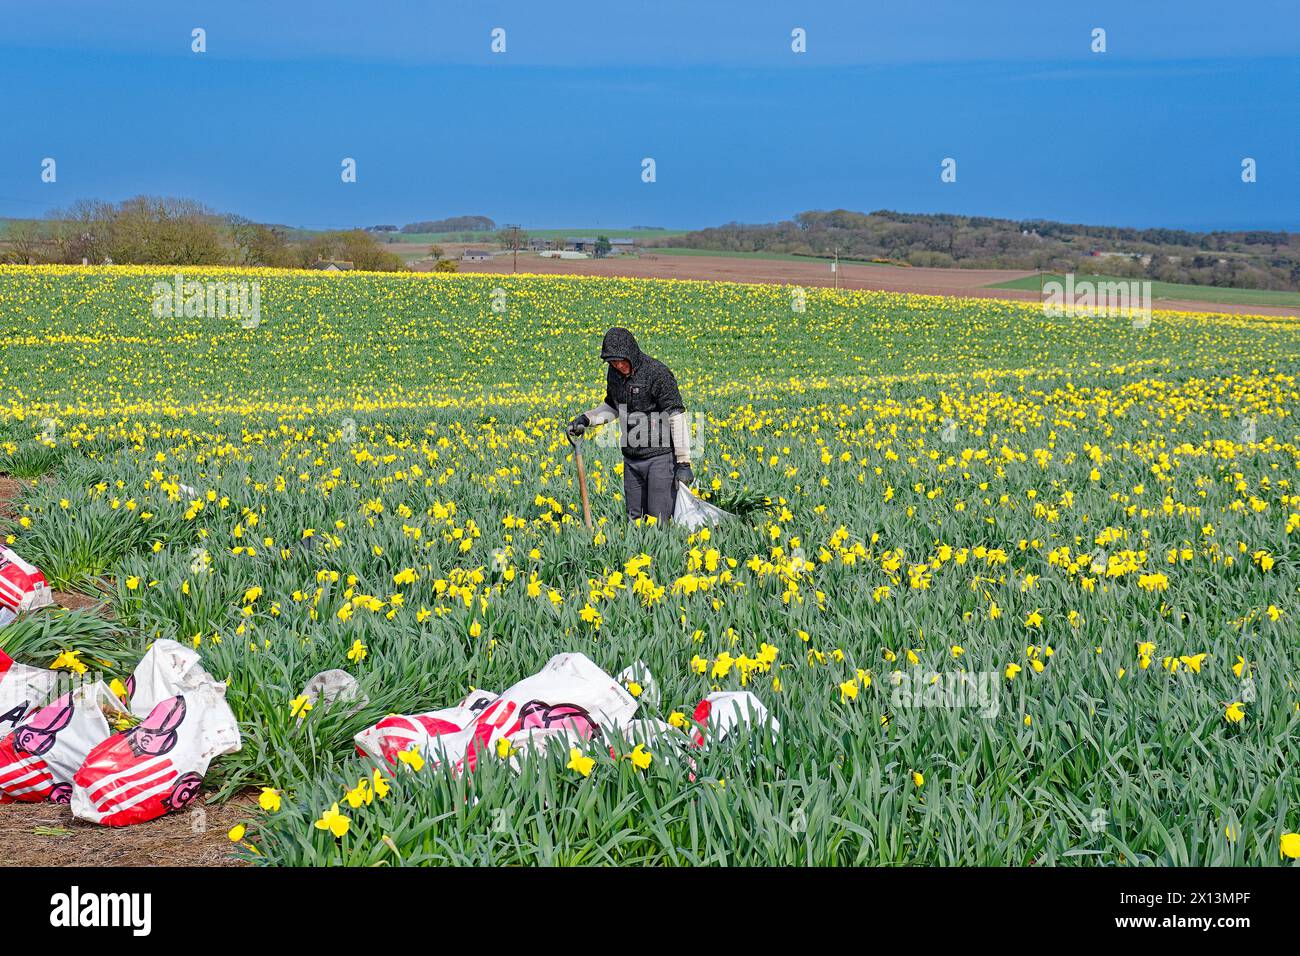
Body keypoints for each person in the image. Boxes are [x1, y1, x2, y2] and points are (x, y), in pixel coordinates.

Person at [568, 327, 694, 522]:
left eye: (621, 360)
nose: (618, 366)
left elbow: (675, 415)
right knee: (634, 521)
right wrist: (587, 419)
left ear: (631, 354)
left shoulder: (657, 373)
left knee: (658, 521)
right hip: (632, 460)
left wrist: (684, 462)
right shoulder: (615, 374)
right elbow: (613, 406)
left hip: (659, 458)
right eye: (612, 362)